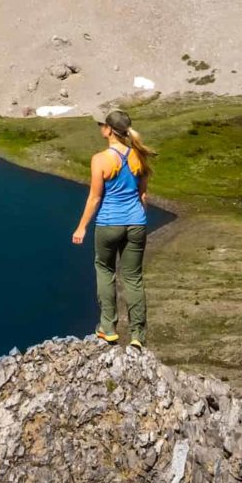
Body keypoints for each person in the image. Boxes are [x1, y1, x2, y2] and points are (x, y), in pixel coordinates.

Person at [70, 109, 154, 347]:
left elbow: (95, 198)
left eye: (101, 125)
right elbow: (143, 194)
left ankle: (108, 327)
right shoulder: (140, 156)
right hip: (137, 223)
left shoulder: (100, 159)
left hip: (109, 223)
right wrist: (139, 218)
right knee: (133, 278)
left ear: (108, 130)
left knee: (105, 270)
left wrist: (81, 228)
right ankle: (138, 335)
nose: (100, 129)